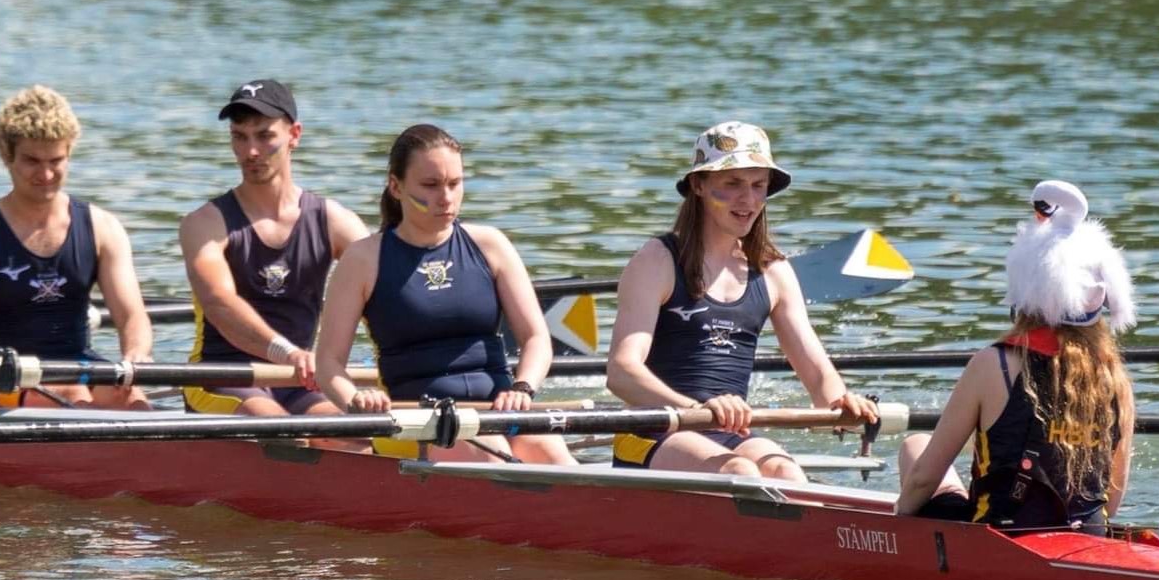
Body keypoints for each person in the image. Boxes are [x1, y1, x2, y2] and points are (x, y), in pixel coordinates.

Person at [605, 124, 878, 478]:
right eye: (732, 184)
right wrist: (695, 409)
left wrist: (842, 403)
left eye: (758, 185)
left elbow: (817, 373)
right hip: (652, 431)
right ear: (699, 186)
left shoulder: (773, 271)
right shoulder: (656, 260)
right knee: (739, 472)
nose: (747, 199)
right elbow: (621, 373)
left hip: (729, 432)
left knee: (785, 472)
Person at [314, 124, 572, 464]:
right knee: (492, 455)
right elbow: (328, 362)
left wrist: (522, 388)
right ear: (396, 186)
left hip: (498, 409)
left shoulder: (491, 245)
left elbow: (537, 337)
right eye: (431, 185)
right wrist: (356, 399)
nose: (447, 198)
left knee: (552, 453)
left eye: (455, 184)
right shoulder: (363, 260)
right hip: (417, 419)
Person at [897, 182, 1137, 530]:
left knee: (916, 446)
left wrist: (896, 521)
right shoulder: (1116, 379)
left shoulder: (993, 365)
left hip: (1001, 536)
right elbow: (1111, 503)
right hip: (1089, 535)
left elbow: (923, 481)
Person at [0, 86, 153, 407]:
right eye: (32, 161)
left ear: (70, 153)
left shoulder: (102, 228)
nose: (46, 174)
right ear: (6, 154)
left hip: (80, 366)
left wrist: (136, 354)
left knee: (133, 400)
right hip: (9, 377)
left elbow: (132, 315)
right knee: (73, 397)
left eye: (57, 160)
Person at [179, 81, 366, 417]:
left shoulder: (335, 221)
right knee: (273, 422)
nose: (250, 152)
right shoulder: (204, 225)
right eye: (240, 137)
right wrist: (287, 353)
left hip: (299, 378)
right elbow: (219, 303)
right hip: (221, 375)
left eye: (265, 136)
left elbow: (386, 286)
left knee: (351, 433)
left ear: (294, 135)